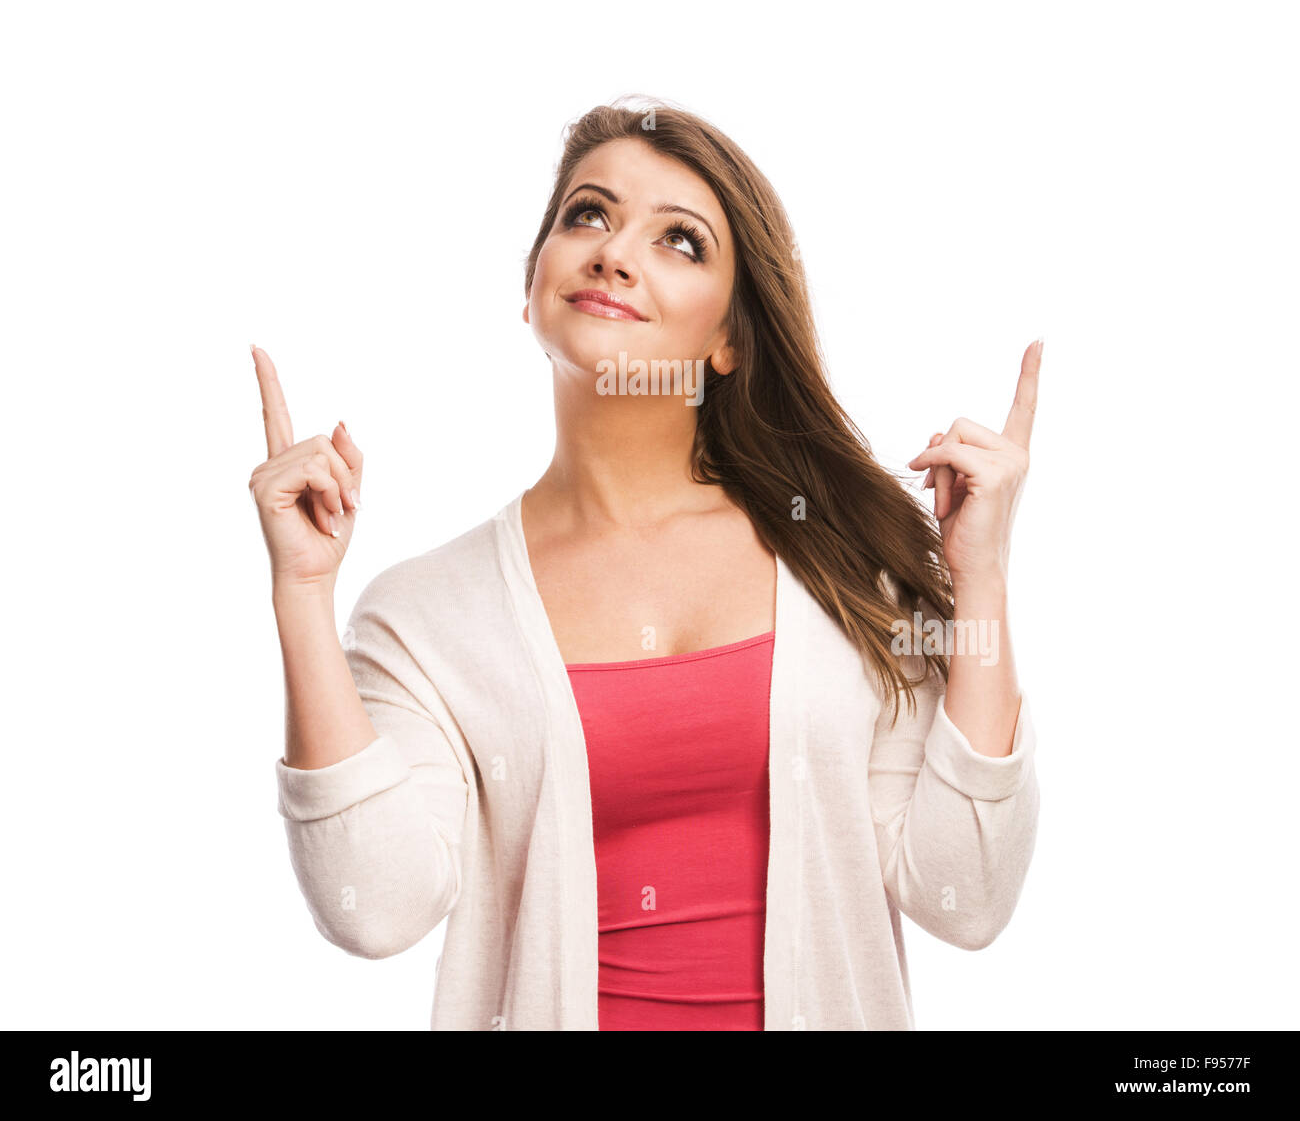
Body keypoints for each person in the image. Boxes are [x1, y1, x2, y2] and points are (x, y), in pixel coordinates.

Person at [249, 100, 1042, 1031]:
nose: (614, 250)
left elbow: (967, 896)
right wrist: (303, 594)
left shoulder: (845, 567)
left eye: (679, 240)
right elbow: (376, 910)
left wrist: (979, 578)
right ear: (533, 283)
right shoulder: (425, 617)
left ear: (730, 340)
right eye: (588, 214)